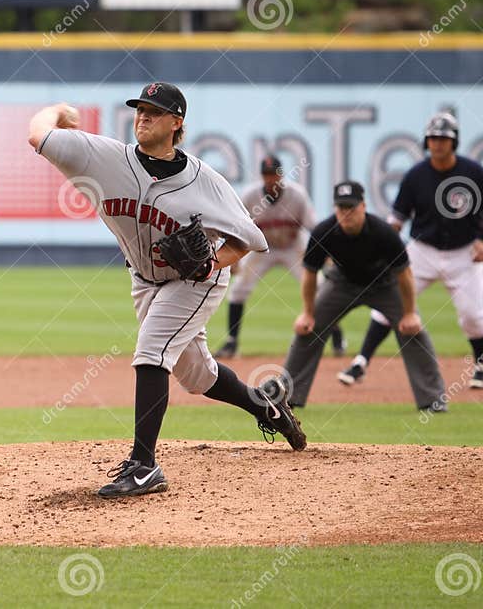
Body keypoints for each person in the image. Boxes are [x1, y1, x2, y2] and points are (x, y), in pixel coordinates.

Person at [27, 82, 306, 499]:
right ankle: (265, 406)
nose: (143, 116)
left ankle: (144, 466)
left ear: (177, 123)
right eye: (140, 109)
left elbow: (250, 240)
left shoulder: (206, 182)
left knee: (151, 349)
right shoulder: (104, 158)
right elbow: (37, 134)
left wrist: (212, 262)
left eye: (154, 111)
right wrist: (58, 110)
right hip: (144, 280)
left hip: (198, 281)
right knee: (196, 375)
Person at [337, 111, 483, 389]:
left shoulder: (473, 172)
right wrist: (379, 247)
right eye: (433, 138)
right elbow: (397, 220)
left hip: (463, 252)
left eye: (444, 138)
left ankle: (480, 364)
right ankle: (361, 362)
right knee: (388, 304)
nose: (438, 143)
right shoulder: (416, 175)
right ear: (426, 142)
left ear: (454, 142)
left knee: (474, 315)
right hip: (422, 251)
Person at [281, 180, 447, 411]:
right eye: (341, 208)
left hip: (384, 284)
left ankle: (433, 401)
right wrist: (307, 313)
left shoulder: (384, 232)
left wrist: (409, 313)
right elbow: (310, 274)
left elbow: (405, 274)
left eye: (351, 207)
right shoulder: (323, 231)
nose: (346, 213)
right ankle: (288, 398)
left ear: (363, 206)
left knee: (413, 330)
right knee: (308, 329)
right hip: (342, 283)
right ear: (335, 209)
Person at [215, 155, 346, 359]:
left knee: (319, 289)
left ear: (281, 174)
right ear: (261, 176)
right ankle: (232, 343)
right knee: (239, 289)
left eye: (274, 174)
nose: (270, 179)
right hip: (262, 249)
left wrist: (326, 254)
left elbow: (314, 227)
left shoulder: (297, 195)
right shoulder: (250, 196)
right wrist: (234, 259)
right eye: (266, 175)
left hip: (293, 247)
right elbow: (237, 228)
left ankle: (337, 336)